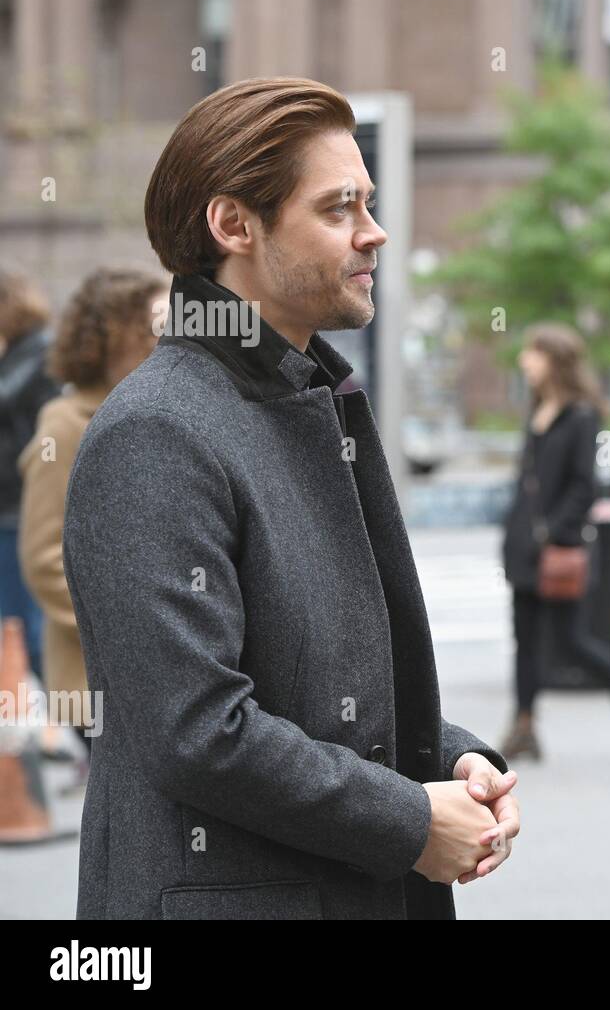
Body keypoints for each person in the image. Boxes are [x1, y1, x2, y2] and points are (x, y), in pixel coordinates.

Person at [61, 77, 518, 920]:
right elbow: (197, 731)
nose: (373, 233)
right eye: (339, 208)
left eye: (368, 203)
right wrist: (411, 820)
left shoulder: (305, 394)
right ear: (234, 225)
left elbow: (318, 694)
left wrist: (448, 761)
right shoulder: (158, 430)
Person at [18, 267, 166, 790]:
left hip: (157, 673)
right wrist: (140, 630)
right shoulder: (66, 423)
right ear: (109, 332)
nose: (167, 332)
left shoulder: (158, 410)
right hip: (100, 680)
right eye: (151, 322)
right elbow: (44, 557)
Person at [500, 323, 610, 761]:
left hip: (557, 547)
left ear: (553, 359)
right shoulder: (538, 410)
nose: (524, 361)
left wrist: (552, 532)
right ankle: (524, 725)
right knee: (525, 638)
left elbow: (583, 488)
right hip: (523, 546)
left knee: (571, 640)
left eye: (532, 353)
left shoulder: (581, 415)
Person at [0, 268, 60, 684]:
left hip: (18, 508)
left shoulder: (36, 354)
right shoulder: (19, 353)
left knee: (26, 629)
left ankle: (51, 732)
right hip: (11, 507)